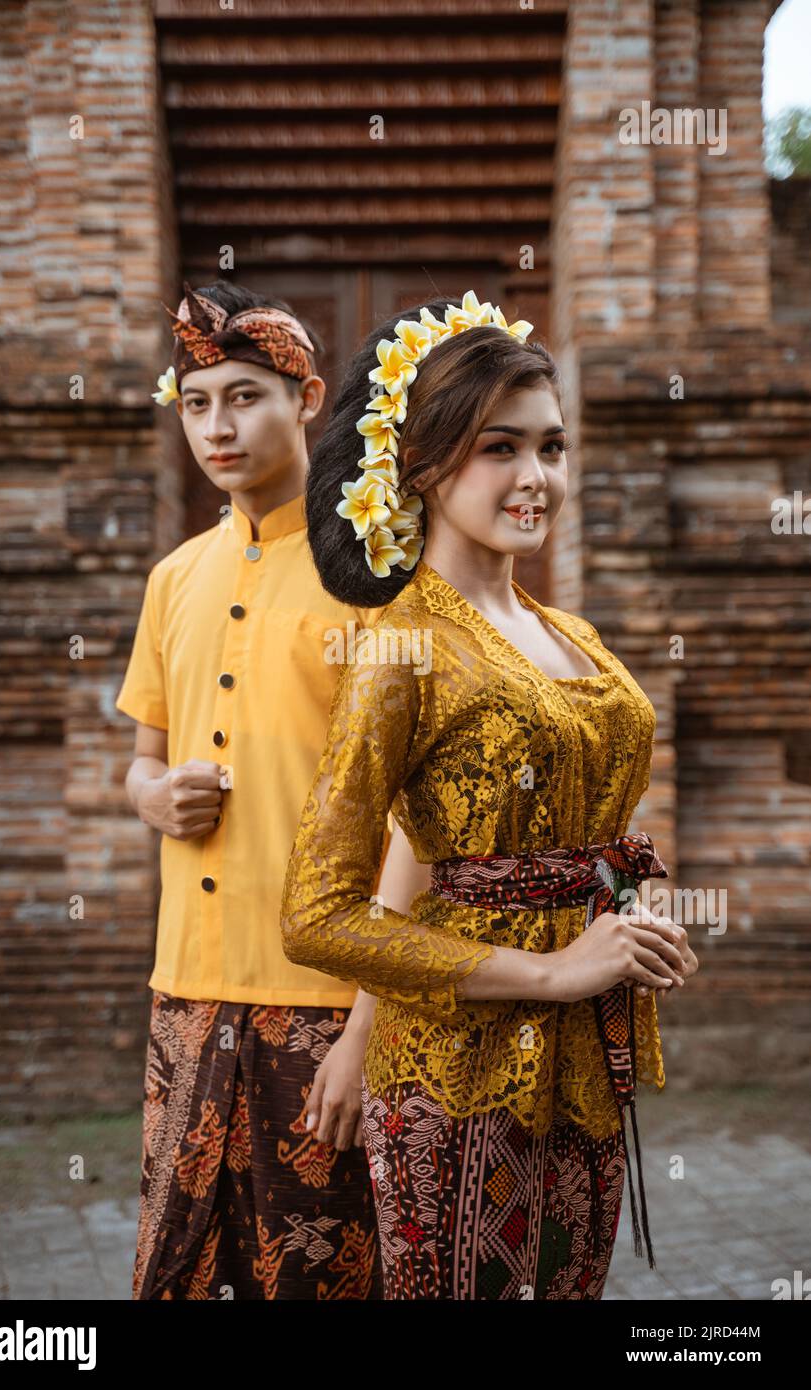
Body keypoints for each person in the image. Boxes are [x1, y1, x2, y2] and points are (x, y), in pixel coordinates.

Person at [280, 290, 699, 1300]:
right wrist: (551, 970)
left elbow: (554, 835)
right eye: (497, 447)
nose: (534, 477)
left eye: (550, 448)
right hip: (455, 1077)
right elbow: (316, 913)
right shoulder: (403, 648)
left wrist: (629, 923)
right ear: (420, 466)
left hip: (581, 1065)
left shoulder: (573, 636)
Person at [116, 278, 421, 1300]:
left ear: (306, 399)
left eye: (244, 396)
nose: (217, 425)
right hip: (187, 993)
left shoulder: (374, 579)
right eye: (196, 403)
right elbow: (138, 762)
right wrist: (152, 796)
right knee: (179, 1274)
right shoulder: (173, 578)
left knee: (325, 1276)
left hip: (324, 1005)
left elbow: (414, 823)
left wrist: (367, 1032)